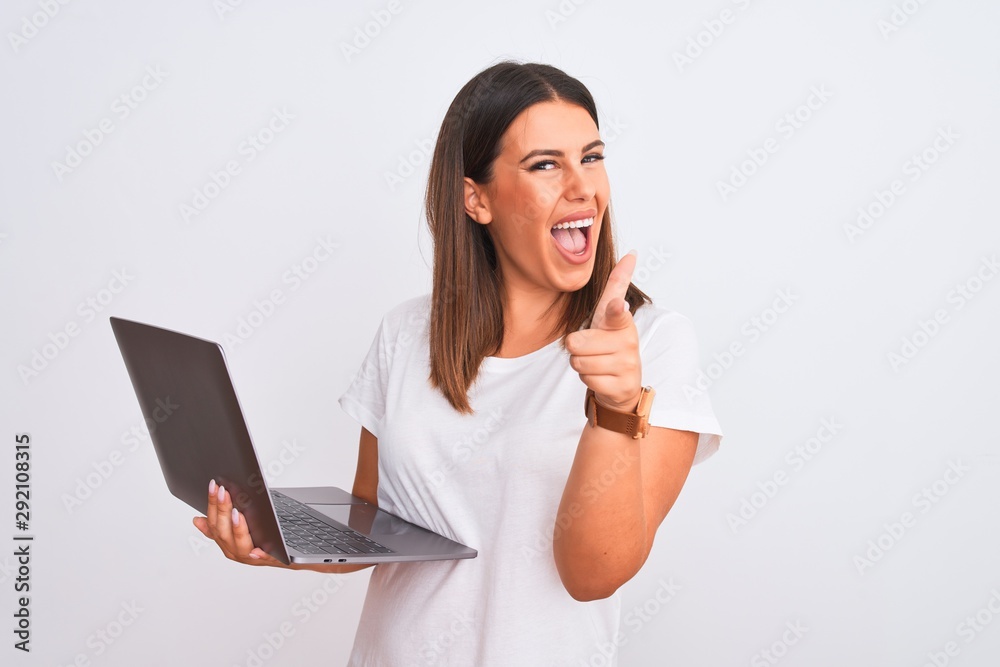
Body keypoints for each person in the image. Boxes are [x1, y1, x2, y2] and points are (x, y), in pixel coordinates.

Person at [193, 61, 723, 665]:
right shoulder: (406, 333)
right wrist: (275, 534)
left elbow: (591, 575)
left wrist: (615, 409)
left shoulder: (654, 345)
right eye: (546, 164)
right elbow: (376, 521)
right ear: (477, 199)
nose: (582, 186)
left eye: (592, 157)